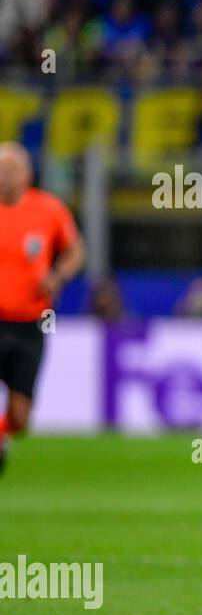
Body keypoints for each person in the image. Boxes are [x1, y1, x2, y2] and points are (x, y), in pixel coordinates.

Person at [0, 142, 85, 474]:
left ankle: (4, 435)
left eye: (11, 170)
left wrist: (58, 276)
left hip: (33, 323)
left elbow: (75, 251)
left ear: (28, 175)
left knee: (21, 418)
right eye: (0, 170)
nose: (4, 177)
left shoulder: (48, 210)